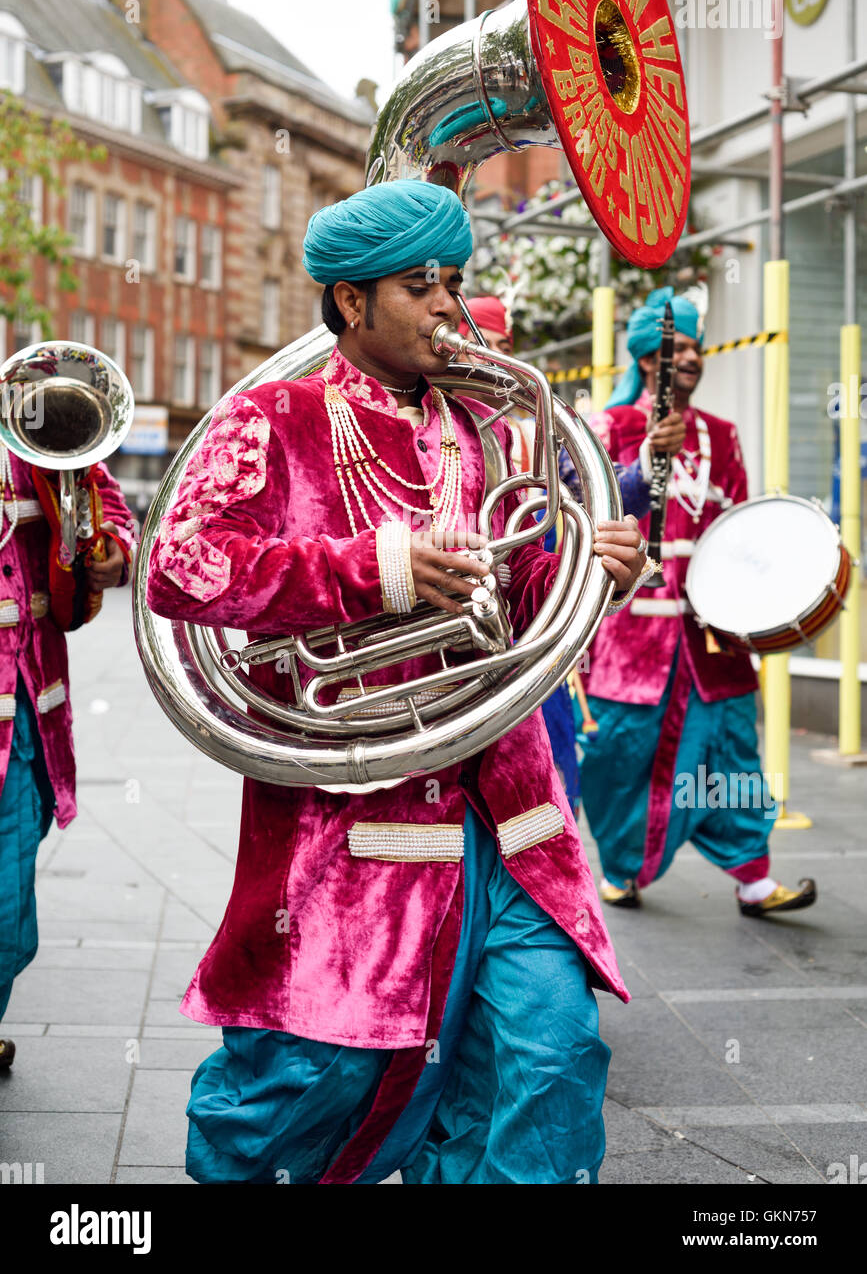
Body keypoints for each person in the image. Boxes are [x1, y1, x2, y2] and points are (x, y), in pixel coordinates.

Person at [146, 179, 650, 1185]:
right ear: (349, 302)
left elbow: (514, 589)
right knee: (306, 1082)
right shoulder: (272, 416)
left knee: (550, 1053)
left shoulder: (483, 424)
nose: (447, 308)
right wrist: (372, 570)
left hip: (511, 810)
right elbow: (181, 565)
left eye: (452, 283)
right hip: (353, 817)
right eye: (421, 286)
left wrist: (593, 568)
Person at [579, 286, 817, 918]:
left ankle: (754, 878)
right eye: (677, 347)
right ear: (648, 361)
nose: (690, 356)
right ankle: (622, 868)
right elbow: (586, 516)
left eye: (695, 347)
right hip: (633, 641)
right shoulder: (610, 426)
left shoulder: (724, 434)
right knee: (619, 756)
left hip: (714, 635)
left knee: (733, 750)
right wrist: (642, 465)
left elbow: (737, 527)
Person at [459, 294, 684, 810]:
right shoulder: (427, 430)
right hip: (450, 641)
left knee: (550, 781)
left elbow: (595, 500)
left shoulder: (538, 434)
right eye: (479, 348)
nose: (489, 364)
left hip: (531, 629)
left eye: (499, 349)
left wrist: (648, 460)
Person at [0, 444, 135, 1069]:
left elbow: (109, 504)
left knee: (10, 915)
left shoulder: (38, 425)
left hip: (26, 711)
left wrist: (115, 554)